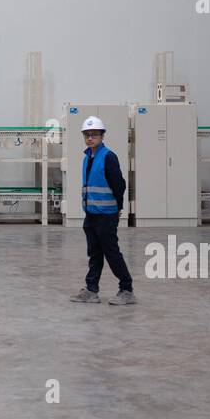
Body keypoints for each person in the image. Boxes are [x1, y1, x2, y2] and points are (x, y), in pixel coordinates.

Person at [69, 116, 136, 305]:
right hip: (91, 214)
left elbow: (119, 184)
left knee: (111, 253)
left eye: (94, 135)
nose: (90, 138)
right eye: (87, 135)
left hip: (106, 215)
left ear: (102, 136)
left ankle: (127, 290)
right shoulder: (87, 158)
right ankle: (91, 290)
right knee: (95, 254)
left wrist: (119, 208)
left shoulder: (108, 156)